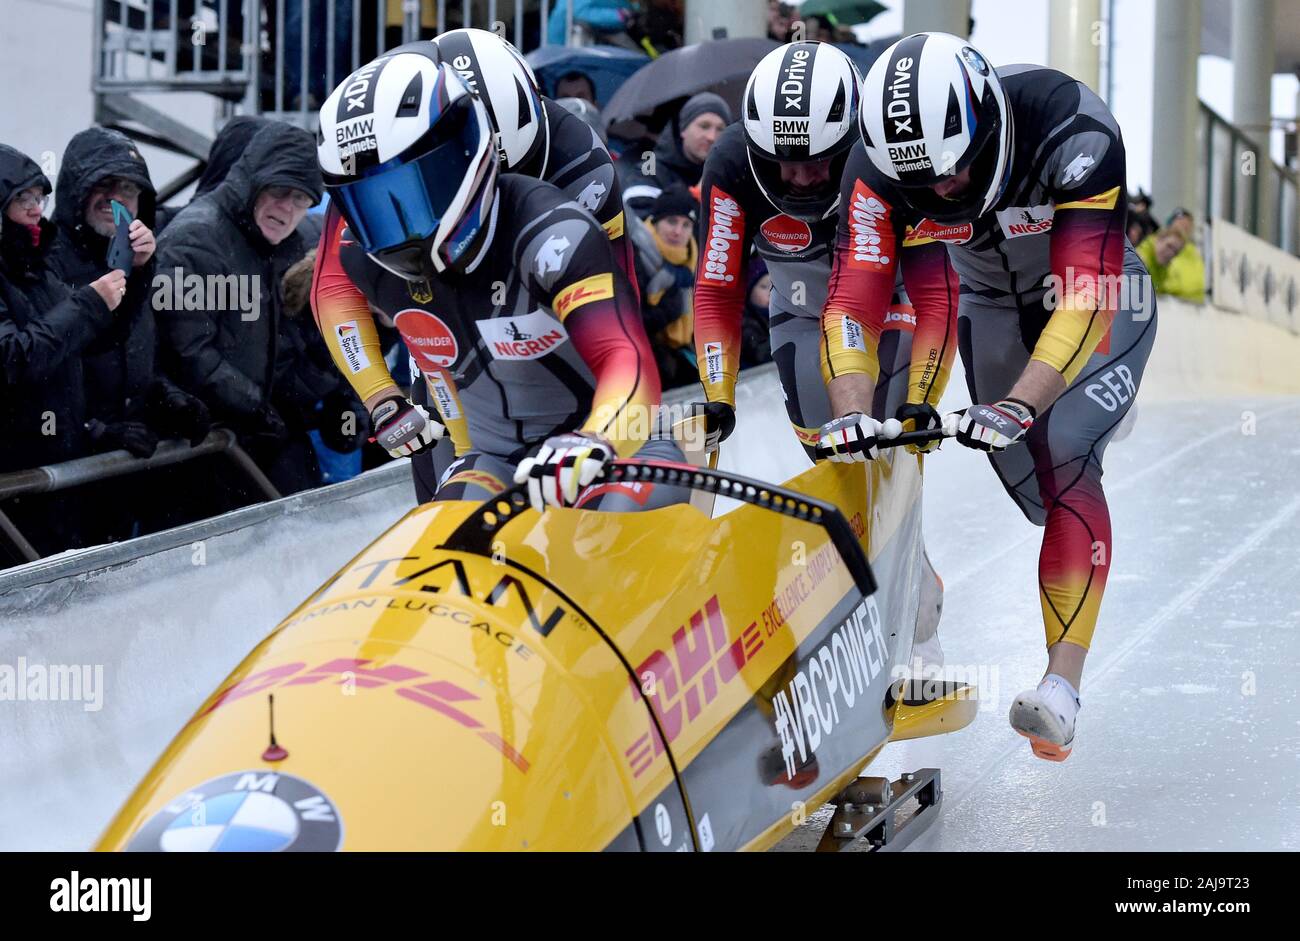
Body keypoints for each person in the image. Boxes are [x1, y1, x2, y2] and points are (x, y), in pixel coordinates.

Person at [820, 33, 1158, 761]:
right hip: (990, 302)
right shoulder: (875, 169)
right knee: (1033, 493)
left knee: (1061, 448)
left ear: (989, 126)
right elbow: (853, 299)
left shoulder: (1073, 128)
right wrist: (850, 409)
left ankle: (1061, 690)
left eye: (956, 171)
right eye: (925, 185)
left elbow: (1085, 297)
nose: (944, 192)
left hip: (1097, 291)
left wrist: (1025, 402)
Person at [311, 54, 686, 513]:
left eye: (413, 194)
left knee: (604, 530)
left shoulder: (561, 219)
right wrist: (384, 398)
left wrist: (596, 438)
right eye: (374, 206)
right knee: (440, 534)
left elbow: (623, 347)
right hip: (497, 451)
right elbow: (442, 373)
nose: (398, 229)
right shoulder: (363, 254)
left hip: (616, 437)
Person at [374, 29, 638, 503]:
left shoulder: (584, 168)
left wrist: (601, 424)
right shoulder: (402, 155)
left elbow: (616, 304)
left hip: (548, 311)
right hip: (455, 297)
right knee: (451, 464)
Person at [692, 41, 912, 457]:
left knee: (877, 430)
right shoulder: (731, 163)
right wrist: (718, 393)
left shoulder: (885, 153)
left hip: (891, 307)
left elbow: (935, 276)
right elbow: (717, 285)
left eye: (818, 161)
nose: (803, 178)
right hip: (801, 312)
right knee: (827, 450)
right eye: (785, 162)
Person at [46, 127, 212, 542]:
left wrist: (168, 400)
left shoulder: (136, 265)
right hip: (61, 479)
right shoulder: (45, 262)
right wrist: (95, 429)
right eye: (104, 185)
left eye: (129, 189)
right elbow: (43, 365)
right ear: (75, 191)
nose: (116, 198)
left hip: (119, 470)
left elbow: (134, 354)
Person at [155, 121, 325, 498]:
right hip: (199, 449)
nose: (288, 209)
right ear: (252, 181)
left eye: (302, 200)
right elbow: (188, 351)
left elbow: (281, 343)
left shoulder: (273, 244)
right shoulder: (197, 239)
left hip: (242, 439)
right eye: (279, 191)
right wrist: (254, 407)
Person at [0, 144, 128, 559]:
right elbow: (14, 359)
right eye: (23, 198)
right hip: (17, 474)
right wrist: (90, 302)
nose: (36, 209)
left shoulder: (34, 263)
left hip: (53, 471)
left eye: (40, 197)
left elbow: (89, 345)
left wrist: (139, 274)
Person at [619, 92, 731, 219]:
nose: (711, 137)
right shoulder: (650, 171)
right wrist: (694, 198)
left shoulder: (728, 177)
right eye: (704, 126)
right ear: (683, 129)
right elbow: (639, 227)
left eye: (720, 129)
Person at [629, 185, 698, 389]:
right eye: (671, 221)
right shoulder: (636, 254)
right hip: (646, 361)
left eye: (686, 225)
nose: (678, 231)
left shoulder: (693, 259)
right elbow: (631, 321)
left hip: (682, 353)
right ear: (656, 222)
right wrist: (670, 309)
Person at [1136, 225, 1204, 303]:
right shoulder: (1141, 257)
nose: (1170, 253)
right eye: (1169, 246)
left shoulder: (1164, 268)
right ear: (1159, 239)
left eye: (1175, 252)